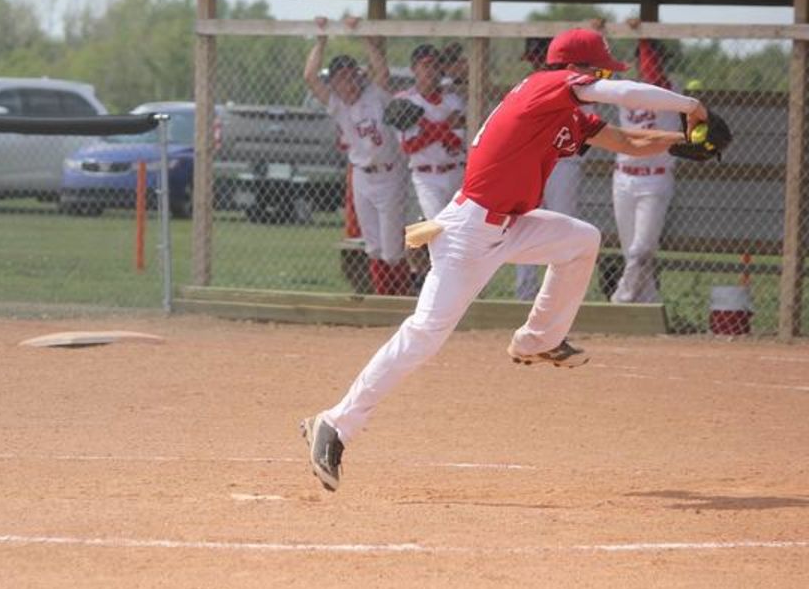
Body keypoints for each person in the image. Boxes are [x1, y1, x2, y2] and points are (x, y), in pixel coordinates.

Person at [300, 28, 709, 492]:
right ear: (577, 72)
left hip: (509, 225)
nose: (600, 79)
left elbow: (631, 142)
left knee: (581, 240)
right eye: (595, 71)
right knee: (424, 335)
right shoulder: (542, 87)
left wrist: (679, 141)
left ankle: (538, 339)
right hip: (468, 234)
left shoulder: (567, 115)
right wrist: (690, 108)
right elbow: (619, 91)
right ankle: (335, 423)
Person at [305, 17, 412, 295]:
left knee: (391, 249)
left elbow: (381, 70)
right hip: (362, 177)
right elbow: (310, 77)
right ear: (335, 84)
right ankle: (383, 298)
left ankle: (399, 299)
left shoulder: (374, 94)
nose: (348, 81)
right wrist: (321, 39)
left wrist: (362, 34)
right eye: (341, 77)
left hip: (390, 174)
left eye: (352, 74)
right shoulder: (338, 105)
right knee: (373, 246)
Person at [610, 36, 681, 303]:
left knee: (641, 249)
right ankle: (648, 304)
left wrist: (642, 38)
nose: (649, 67)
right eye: (643, 61)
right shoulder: (624, 90)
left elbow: (655, 78)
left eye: (654, 61)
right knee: (632, 252)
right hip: (623, 178)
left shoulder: (671, 89)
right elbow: (599, 75)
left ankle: (621, 301)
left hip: (655, 181)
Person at [514, 36, 585, 301]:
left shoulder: (573, 83)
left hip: (565, 162)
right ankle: (526, 294)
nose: (534, 65)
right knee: (526, 224)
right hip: (534, 160)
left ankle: (556, 296)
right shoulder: (529, 87)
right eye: (532, 60)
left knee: (563, 226)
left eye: (537, 59)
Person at [396, 44, 467, 220]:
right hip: (426, 177)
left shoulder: (454, 99)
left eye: (436, 65)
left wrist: (425, 126)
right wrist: (444, 126)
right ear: (414, 69)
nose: (431, 70)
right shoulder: (406, 102)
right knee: (438, 229)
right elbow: (410, 146)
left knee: (459, 229)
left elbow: (456, 141)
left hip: (457, 173)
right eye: (425, 65)